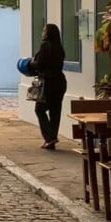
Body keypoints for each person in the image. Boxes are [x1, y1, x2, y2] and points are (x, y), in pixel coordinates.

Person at [31, 22, 69, 150]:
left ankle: (49, 137)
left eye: (44, 30)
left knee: (39, 109)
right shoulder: (59, 47)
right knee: (55, 111)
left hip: (49, 82)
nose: (42, 33)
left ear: (48, 33)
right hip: (60, 82)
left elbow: (39, 64)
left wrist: (31, 63)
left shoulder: (45, 46)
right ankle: (51, 139)